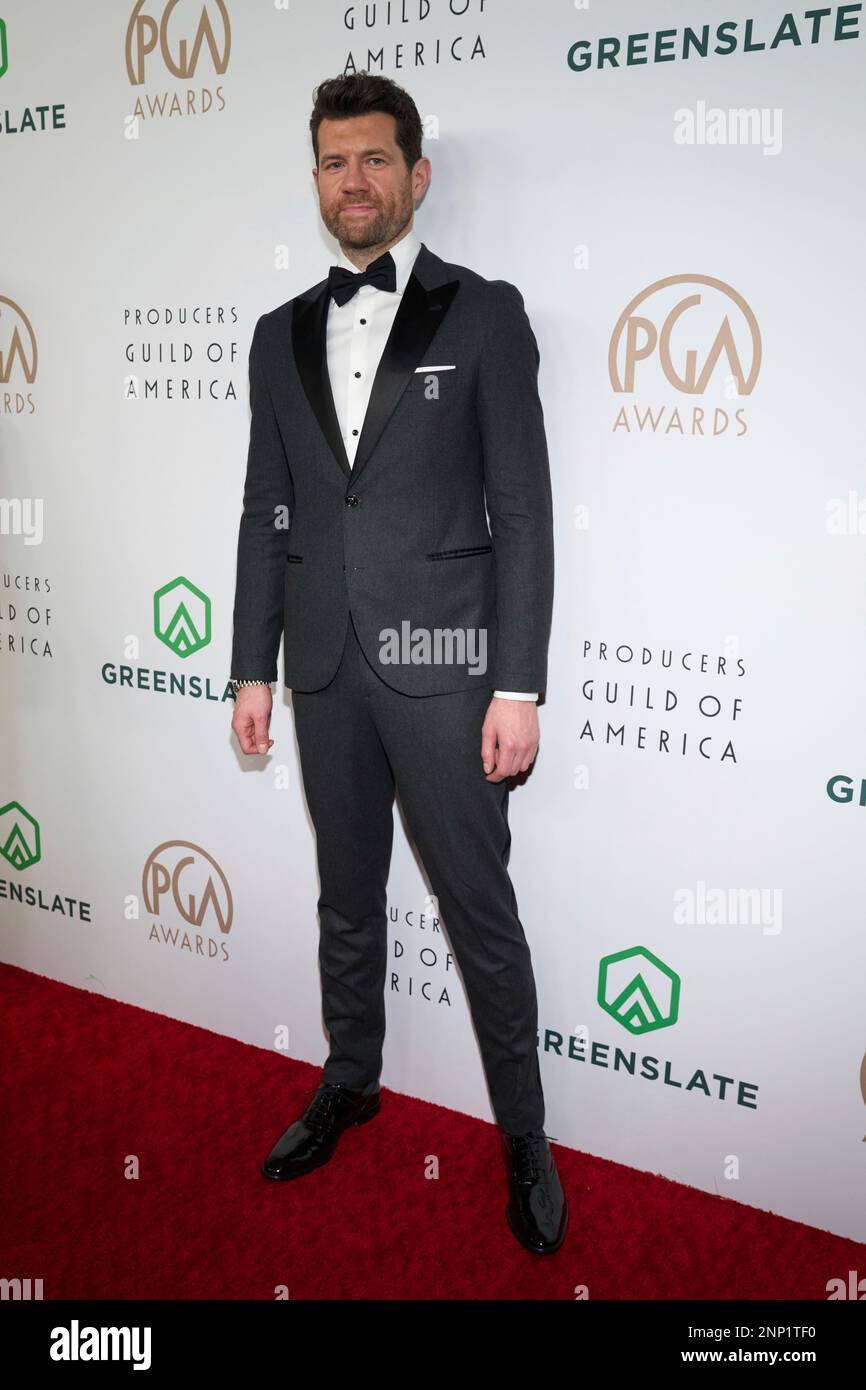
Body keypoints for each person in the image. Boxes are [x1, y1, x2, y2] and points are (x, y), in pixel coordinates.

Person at [229, 71, 566, 1255]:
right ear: (314, 178)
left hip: (449, 670)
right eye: (332, 161)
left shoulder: (483, 312)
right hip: (321, 668)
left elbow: (519, 511)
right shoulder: (278, 334)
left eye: (374, 159)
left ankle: (523, 1134)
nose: (352, 181)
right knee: (344, 895)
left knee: (480, 911)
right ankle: (350, 1076)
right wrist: (250, 665)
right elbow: (267, 507)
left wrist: (516, 684)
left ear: (415, 175)